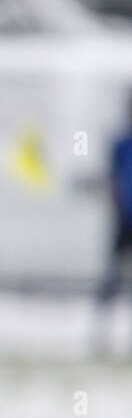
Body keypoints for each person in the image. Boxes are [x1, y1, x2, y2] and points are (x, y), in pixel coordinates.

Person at [92, 96, 132, 354]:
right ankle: (101, 334)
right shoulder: (120, 144)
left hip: (123, 215)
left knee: (113, 277)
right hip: (123, 218)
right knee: (112, 277)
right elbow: (112, 180)